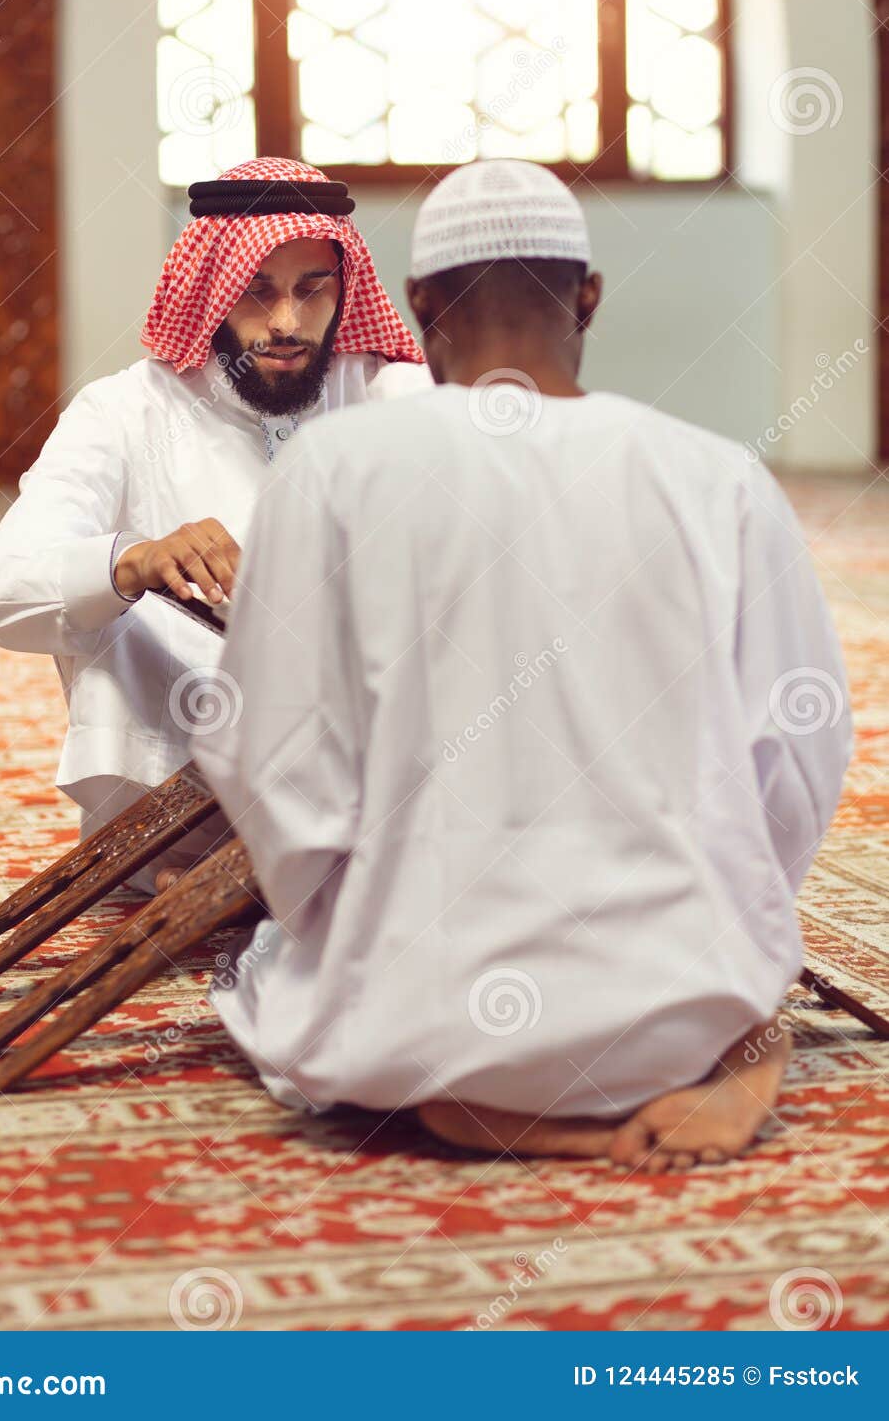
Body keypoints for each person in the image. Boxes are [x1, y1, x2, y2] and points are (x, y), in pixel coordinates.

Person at [191, 158, 852, 1172]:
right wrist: (728, 913)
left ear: (417, 307)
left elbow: (267, 751)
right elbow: (798, 751)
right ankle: (732, 1045)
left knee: (267, 979)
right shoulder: (713, 475)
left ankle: (479, 1100)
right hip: (678, 998)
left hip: (430, 1013)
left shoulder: (335, 468)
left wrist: (339, 915)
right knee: (732, 964)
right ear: (586, 297)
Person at [0, 157, 430, 891]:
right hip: (185, 811)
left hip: (375, 774)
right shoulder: (123, 414)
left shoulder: (392, 393)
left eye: (313, 291)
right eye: (256, 292)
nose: (286, 323)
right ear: (211, 290)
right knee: (105, 595)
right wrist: (132, 562)